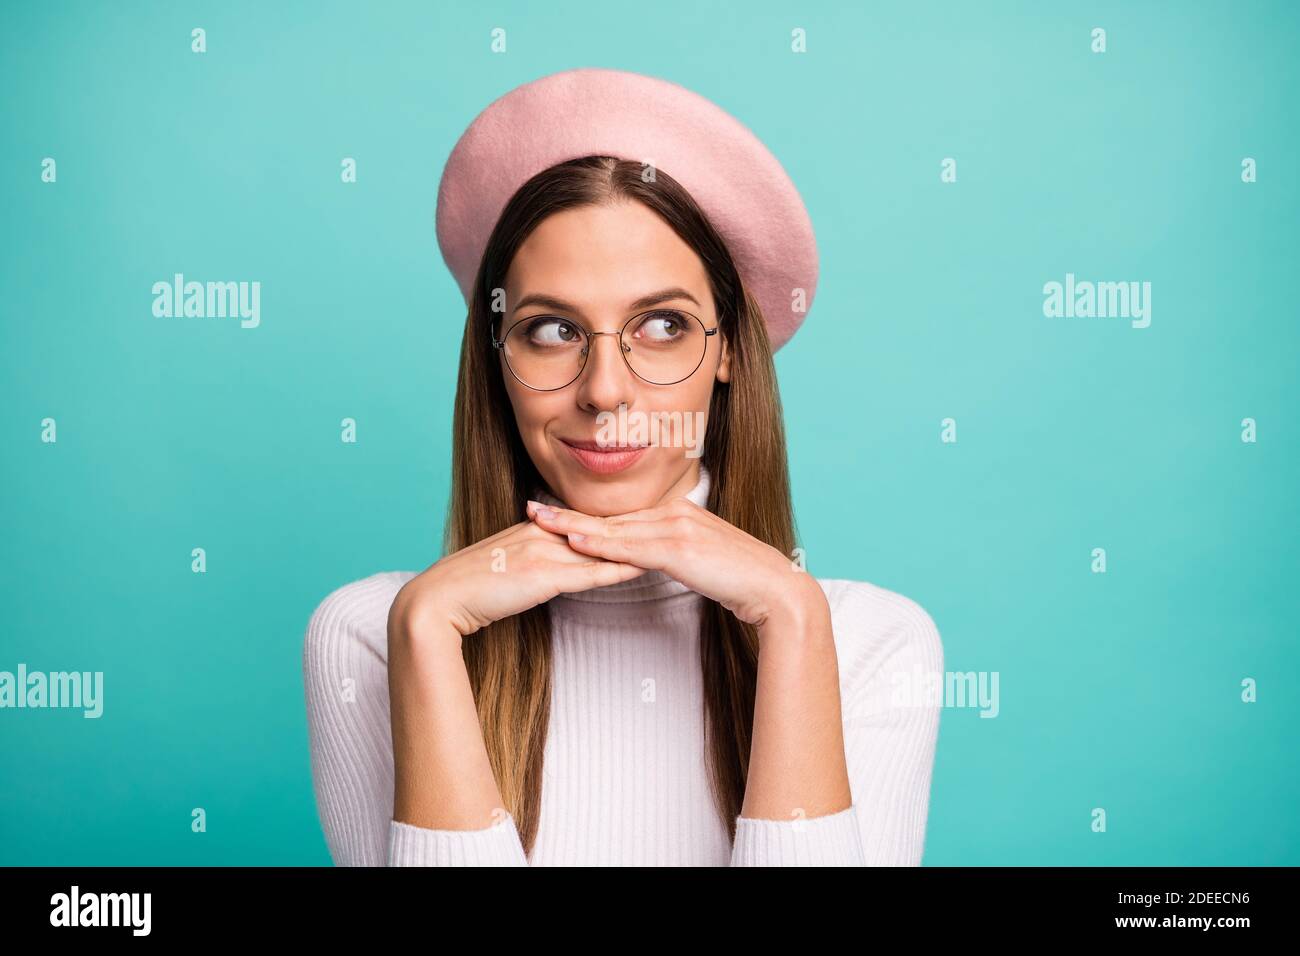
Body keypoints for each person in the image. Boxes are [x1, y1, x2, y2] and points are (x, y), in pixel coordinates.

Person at [303, 68, 943, 866]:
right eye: (551, 331)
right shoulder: (377, 634)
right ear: (494, 359)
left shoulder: (867, 642)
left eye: (664, 324)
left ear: (731, 350)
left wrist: (792, 624)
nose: (605, 391)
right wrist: (427, 635)